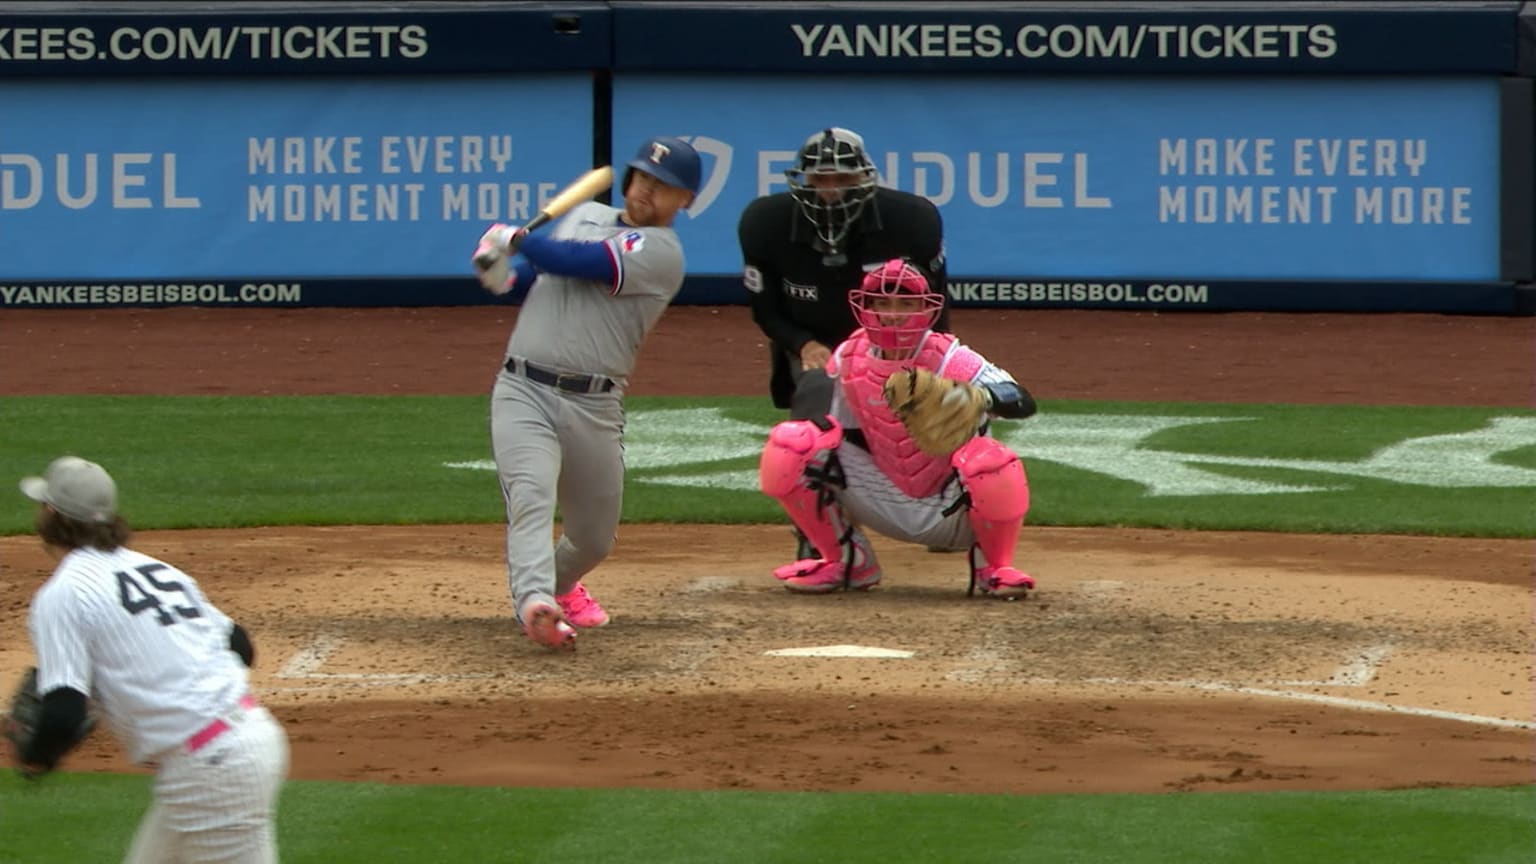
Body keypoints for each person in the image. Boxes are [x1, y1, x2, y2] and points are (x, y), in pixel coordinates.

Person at [471, 136, 699, 651]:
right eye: (643, 179)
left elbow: (582, 263)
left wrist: (519, 237)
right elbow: (539, 279)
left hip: (595, 405)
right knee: (531, 494)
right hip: (522, 390)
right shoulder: (586, 215)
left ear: (685, 200)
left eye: (665, 187)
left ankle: (560, 586)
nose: (648, 192)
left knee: (594, 536)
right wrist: (500, 272)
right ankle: (535, 603)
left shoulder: (663, 252)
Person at [16, 455, 289, 862]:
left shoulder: (63, 594)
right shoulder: (159, 570)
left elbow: (63, 714)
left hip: (212, 770)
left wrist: (36, 754)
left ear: (51, 515)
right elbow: (241, 646)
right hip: (244, 742)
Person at [757, 258, 1039, 597]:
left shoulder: (949, 356)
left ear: (925, 308)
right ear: (867, 306)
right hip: (880, 491)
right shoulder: (850, 354)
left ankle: (994, 567)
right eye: (883, 303)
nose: (893, 313)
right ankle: (846, 561)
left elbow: (1021, 400)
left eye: (906, 303)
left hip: (951, 505)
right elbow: (839, 431)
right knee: (791, 444)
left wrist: (978, 397)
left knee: (991, 460)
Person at [738, 126, 951, 559]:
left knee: (943, 411)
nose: (831, 191)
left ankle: (949, 512)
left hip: (896, 342)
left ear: (863, 179)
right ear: (804, 181)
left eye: (842, 180)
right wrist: (802, 345)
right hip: (817, 345)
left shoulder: (912, 221)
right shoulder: (765, 224)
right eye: (820, 180)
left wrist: (927, 356)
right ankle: (817, 533)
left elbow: (935, 301)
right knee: (813, 416)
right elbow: (766, 309)